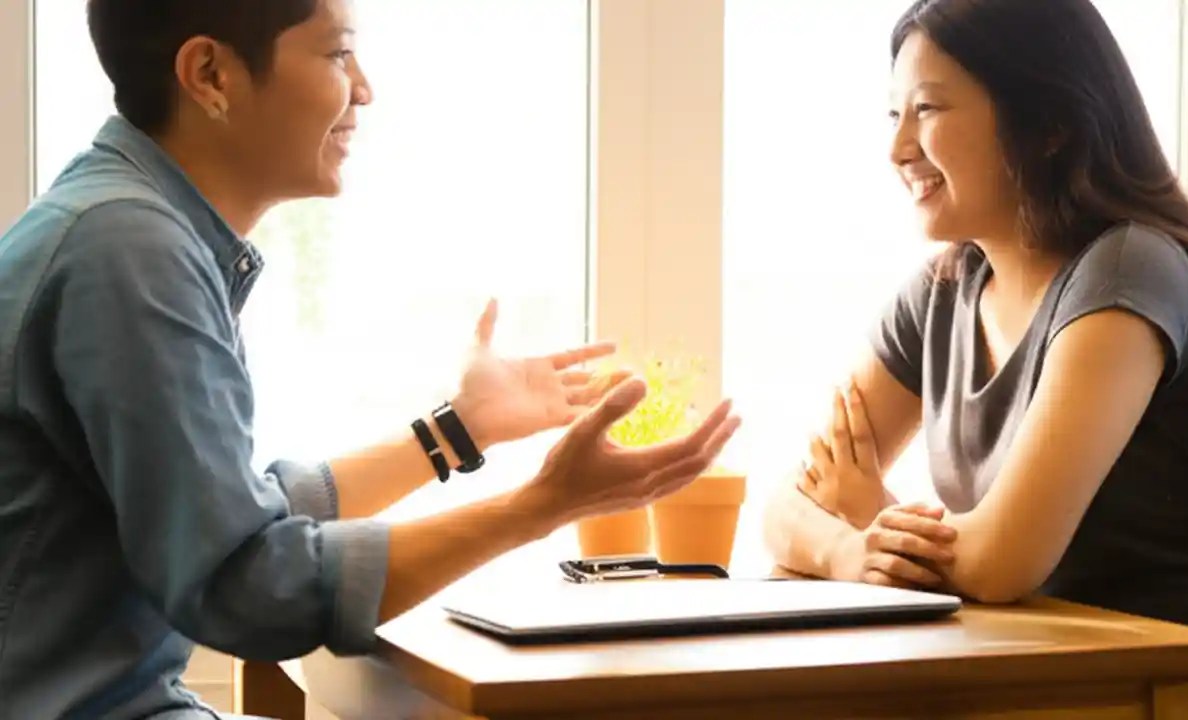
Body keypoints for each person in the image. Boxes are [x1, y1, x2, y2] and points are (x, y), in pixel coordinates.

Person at [0, 1, 740, 718]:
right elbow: (246, 587)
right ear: (210, 74)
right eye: (336, 52)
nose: (363, 88)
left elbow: (228, 519)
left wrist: (458, 429)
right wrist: (543, 504)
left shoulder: (122, 227)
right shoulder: (130, 255)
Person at [764, 0, 1188, 716]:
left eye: (929, 110)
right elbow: (788, 509)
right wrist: (850, 552)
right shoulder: (940, 295)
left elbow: (1002, 560)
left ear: (1050, 125)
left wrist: (873, 513)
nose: (899, 148)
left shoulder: (1130, 271)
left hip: (1186, 697)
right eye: (894, 116)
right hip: (1040, 684)